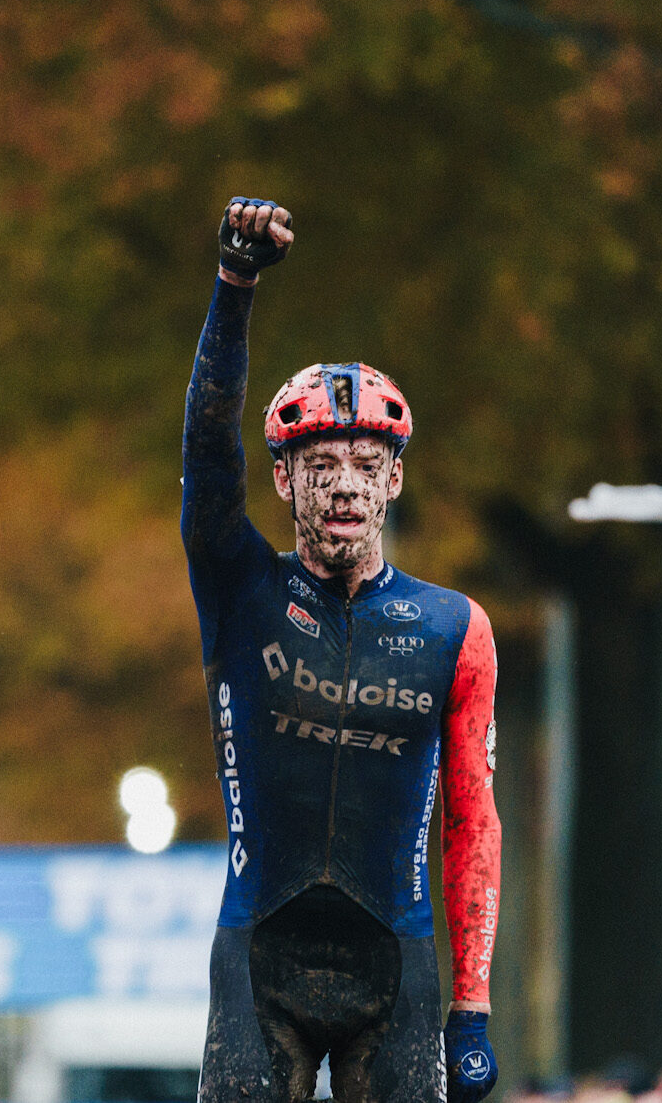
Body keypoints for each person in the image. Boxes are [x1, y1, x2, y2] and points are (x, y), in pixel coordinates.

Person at [182, 198, 504, 1103]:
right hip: (260, 957)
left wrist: (471, 1008)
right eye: (322, 463)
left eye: (369, 464)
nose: (346, 486)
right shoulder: (243, 592)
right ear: (283, 478)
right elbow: (206, 458)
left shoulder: (455, 628)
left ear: (396, 479)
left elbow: (473, 820)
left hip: (394, 966)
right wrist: (234, 288)